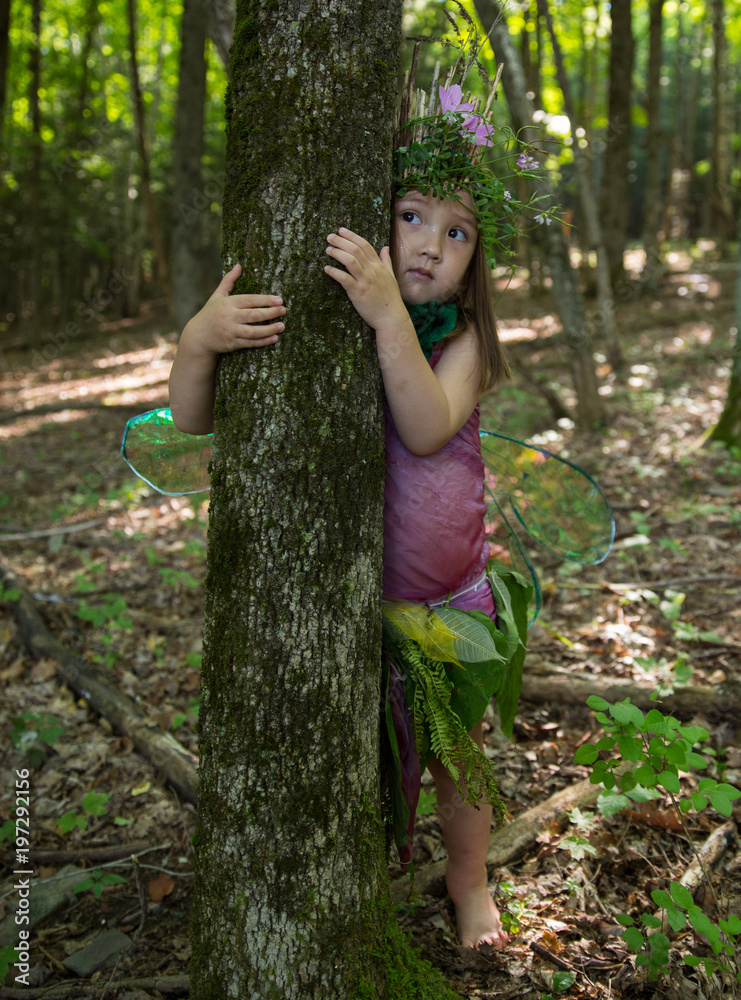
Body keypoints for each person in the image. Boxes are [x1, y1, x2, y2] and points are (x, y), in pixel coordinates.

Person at [168, 75, 548, 951]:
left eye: (457, 233)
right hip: (351, 608)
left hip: (451, 600)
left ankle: (468, 878)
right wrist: (198, 341)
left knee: (460, 755)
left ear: (476, 259)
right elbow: (193, 420)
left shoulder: (464, 345)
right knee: (360, 757)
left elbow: (421, 429)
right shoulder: (331, 327)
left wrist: (386, 316)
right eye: (411, 216)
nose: (428, 246)